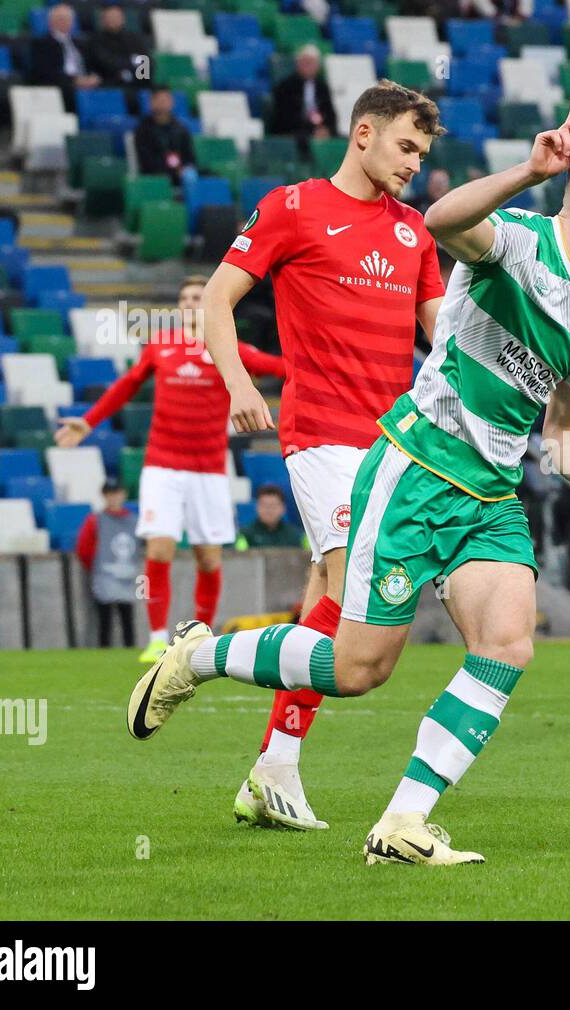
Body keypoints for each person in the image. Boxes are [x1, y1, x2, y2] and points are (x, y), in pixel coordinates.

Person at [126, 108, 570, 867]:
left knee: (509, 643)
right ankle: (199, 658)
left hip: (489, 498)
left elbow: (566, 436)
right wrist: (528, 169)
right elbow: (442, 220)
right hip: (417, 470)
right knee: (359, 669)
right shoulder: (517, 237)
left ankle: (404, 822)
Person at [200, 81, 448, 832]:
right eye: (405, 146)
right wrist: (241, 383)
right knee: (355, 605)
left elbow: (445, 341)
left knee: (328, 603)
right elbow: (214, 300)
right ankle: (201, 657)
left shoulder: (416, 233)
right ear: (362, 132)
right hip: (322, 435)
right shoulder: (293, 207)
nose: (414, 164)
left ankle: (274, 771)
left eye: (424, 154)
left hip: (393, 447)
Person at [54, 277, 285, 663]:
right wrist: (88, 421)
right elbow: (127, 386)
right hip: (162, 465)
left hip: (209, 470)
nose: (191, 303)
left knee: (208, 558)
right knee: (158, 549)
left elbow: (281, 367)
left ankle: (200, 638)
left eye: (199, 297)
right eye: (185, 298)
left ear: (212, 303)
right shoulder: (161, 346)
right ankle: (158, 637)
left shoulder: (230, 349)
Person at [75, 479, 140, 648]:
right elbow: (84, 548)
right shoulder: (95, 520)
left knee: (127, 617)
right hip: (105, 576)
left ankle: (129, 648)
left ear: (123, 494)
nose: (114, 497)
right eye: (110, 494)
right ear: (105, 496)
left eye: (117, 493)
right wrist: (96, 569)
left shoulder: (134, 521)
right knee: (105, 619)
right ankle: (105, 650)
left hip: (128, 576)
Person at [270, 44, 338, 157]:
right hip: (293, 131)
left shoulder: (322, 87)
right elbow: (284, 118)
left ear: (318, 66)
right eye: (305, 63)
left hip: (318, 130)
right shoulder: (285, 87)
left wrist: (326, 129)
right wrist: (312, 131)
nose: (308, 66)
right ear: (298, 64)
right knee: (303, 139)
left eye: (312, 63)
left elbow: (330, 113)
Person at [29, 4, 100, 110]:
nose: (65, 22)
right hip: (62, 85)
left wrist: (93, 77)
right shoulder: (42, 44)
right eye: (60, 19)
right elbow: (44, 72)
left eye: (68, 19)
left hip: (84, 82)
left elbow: (92, 63)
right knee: (71, 93)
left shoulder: (80, 43)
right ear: (50, 22)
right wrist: (74, 80)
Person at [133, 87, 196, 186]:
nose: (163, 103)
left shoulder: (181, 129)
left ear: (172, 102)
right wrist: (173, 171)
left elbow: (189, 157)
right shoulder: (143, 130)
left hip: (181, 174)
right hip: (157, 176)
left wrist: (184, 169)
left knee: (202, 175)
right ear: (151, 102)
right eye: (159, 99)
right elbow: (147, 162)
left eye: (166, 99)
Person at [85, 4, 149, 94]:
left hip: (137, 83)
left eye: (116, 17)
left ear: (123, 19)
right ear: (103, 20)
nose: (113, 20)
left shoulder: (134, 38)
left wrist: (138, 77)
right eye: (109, 17)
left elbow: (146, 61)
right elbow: (107, 63)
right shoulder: (95, 40)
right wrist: (132, 62)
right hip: (109, 84)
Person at [238, 484, 304, 549]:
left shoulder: (294, 535)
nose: (269, 510)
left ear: (283, 508)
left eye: (273, 505)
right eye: (264, 505)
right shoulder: (245, 535)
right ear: (257, 507)